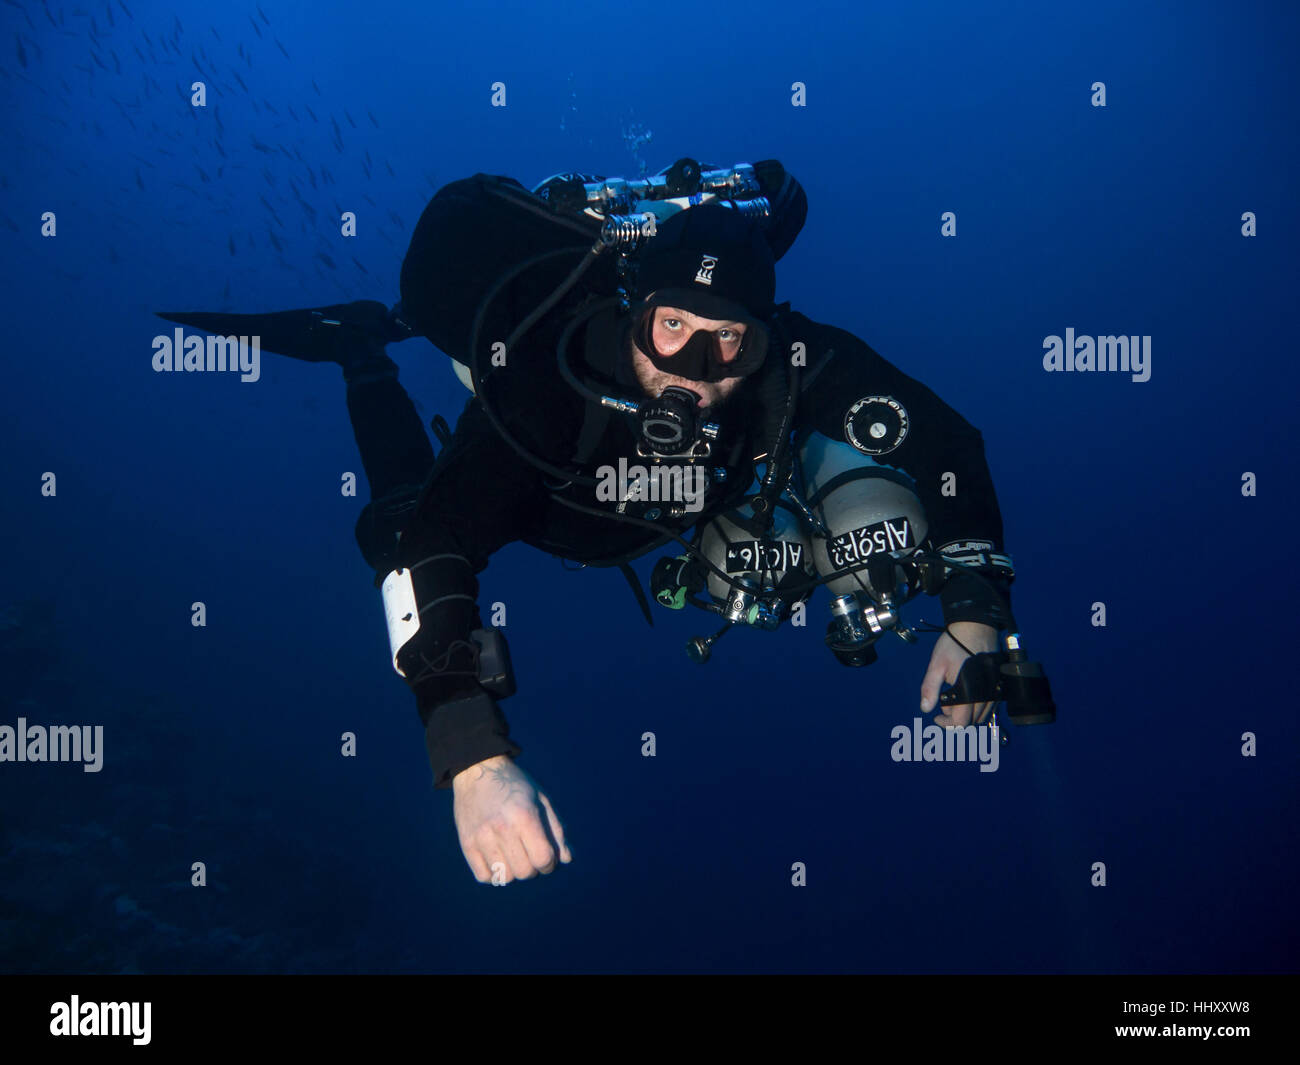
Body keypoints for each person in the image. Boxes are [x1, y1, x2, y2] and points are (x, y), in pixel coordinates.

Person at [159, 159, 1015, 886]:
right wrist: (471, 753)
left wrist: (975, 614)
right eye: (671, 327)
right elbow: (437, 543)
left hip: (656, 526)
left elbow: (947, 440)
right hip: (544, 494)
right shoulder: (550, 378)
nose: (693, 368)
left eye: (730, 344)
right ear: (632, 312)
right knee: (395, 537)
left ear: (765, 341)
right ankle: (361, 353)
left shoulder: (796, 362)